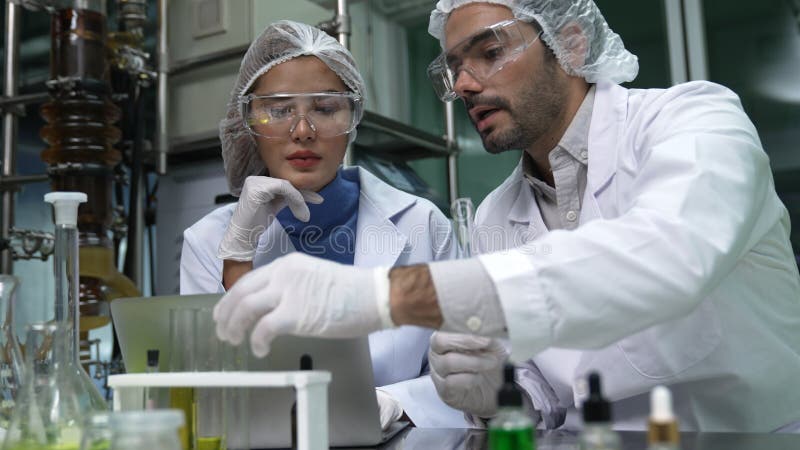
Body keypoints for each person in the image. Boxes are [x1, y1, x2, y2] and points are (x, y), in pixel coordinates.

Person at [212, 1, 800, 432]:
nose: (465, 85)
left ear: (570, 44)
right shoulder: (497, 212)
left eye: (491, 53)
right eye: (454, 68)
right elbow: (548, 388)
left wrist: (382, 294)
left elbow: (667, 255)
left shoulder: (693, 120)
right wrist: (497, 390)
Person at [179, 20, 468, 429]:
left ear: (354, 116)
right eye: (278, 110)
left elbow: (470, 375)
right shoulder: (208, 242)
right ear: (247, 122)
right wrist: (237, 263)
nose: (303, 131)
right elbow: (209, 393)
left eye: (326, 108)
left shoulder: (423, 225)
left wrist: (396, 402)